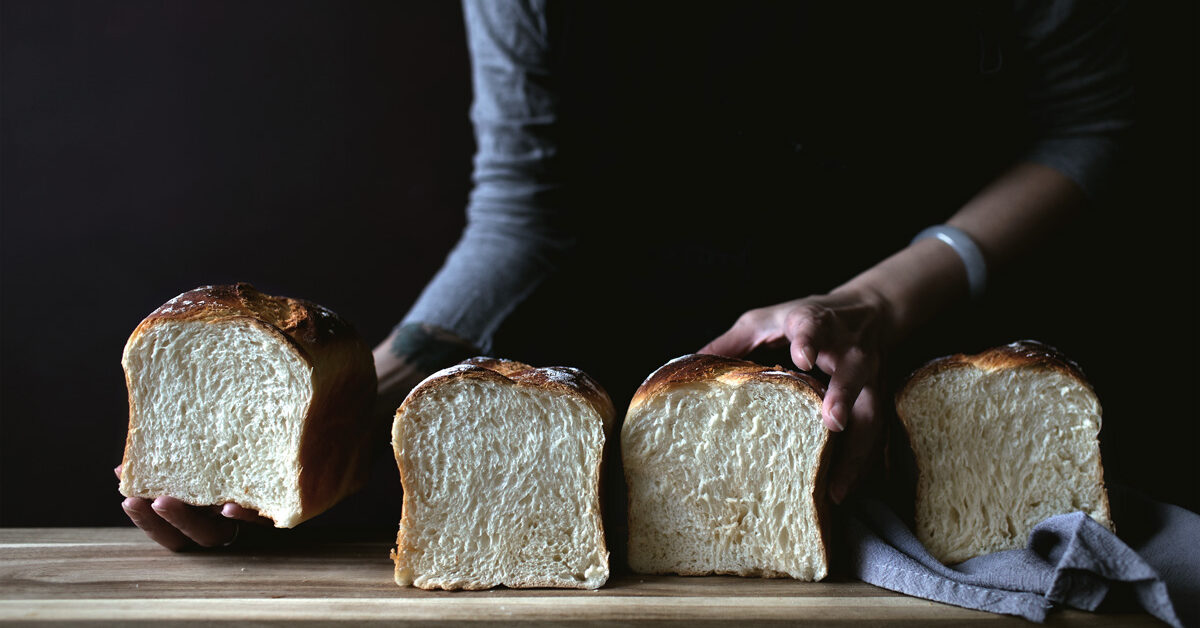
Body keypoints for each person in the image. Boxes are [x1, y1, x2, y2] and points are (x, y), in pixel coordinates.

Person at [120, 0, 1131, 549]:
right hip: (634, 404)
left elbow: (1098, 123)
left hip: (962, 364)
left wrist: (877, 300)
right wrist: (370, 391)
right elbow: (525, 212)